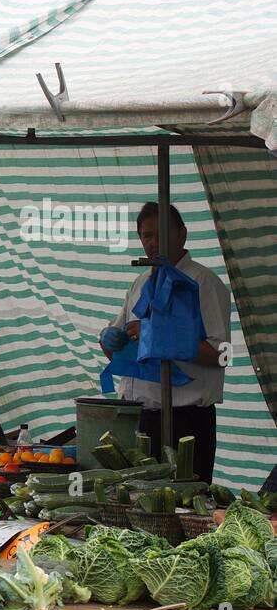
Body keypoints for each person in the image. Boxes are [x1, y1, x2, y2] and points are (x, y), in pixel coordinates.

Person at [99, 202, 230, 482]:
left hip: (186, 421)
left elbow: (222, 354)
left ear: (182, 234)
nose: (154, 243)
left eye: (162, 234)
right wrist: (109, 342)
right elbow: (118, 352)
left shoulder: (203, 282)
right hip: (141, 419)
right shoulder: (140, 284)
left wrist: (158, 337)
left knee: (182, 508)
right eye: (147, 236)